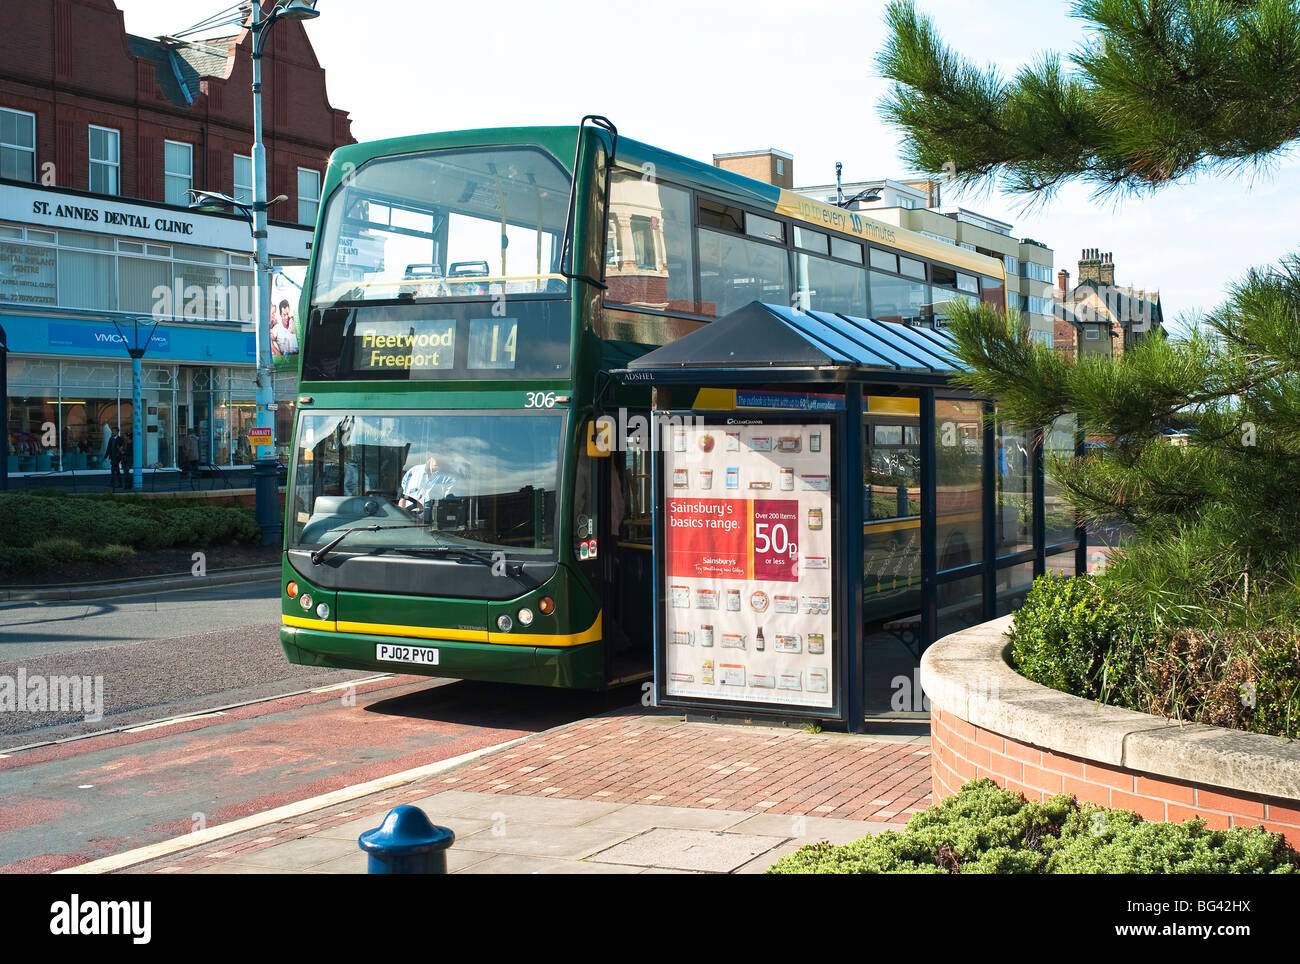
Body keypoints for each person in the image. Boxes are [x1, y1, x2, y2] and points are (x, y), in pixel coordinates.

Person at [398, 454, 457, 521]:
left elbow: (447, 508)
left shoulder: (451, 478)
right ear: (431, 454)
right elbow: (403, 498)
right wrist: (400, 517)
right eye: (437, 455)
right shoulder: (413, 472)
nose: (439, 459)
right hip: (406, 522)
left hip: (430, 525)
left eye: (442, 454)